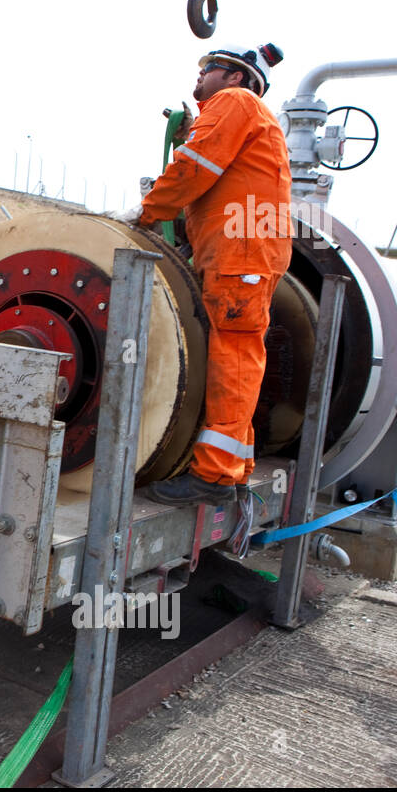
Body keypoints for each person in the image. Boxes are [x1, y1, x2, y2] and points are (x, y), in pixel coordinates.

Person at [129, 42, 292, 505]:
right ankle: (232, 466)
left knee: (234, 356)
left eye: (210, 70)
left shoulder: (236, 103)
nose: (199, 79)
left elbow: (194, 168)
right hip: (243, 250)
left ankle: (215, 476)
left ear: (237, 76)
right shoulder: (246, 115)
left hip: (241, 253)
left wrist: (143, 213)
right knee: (237, 353)